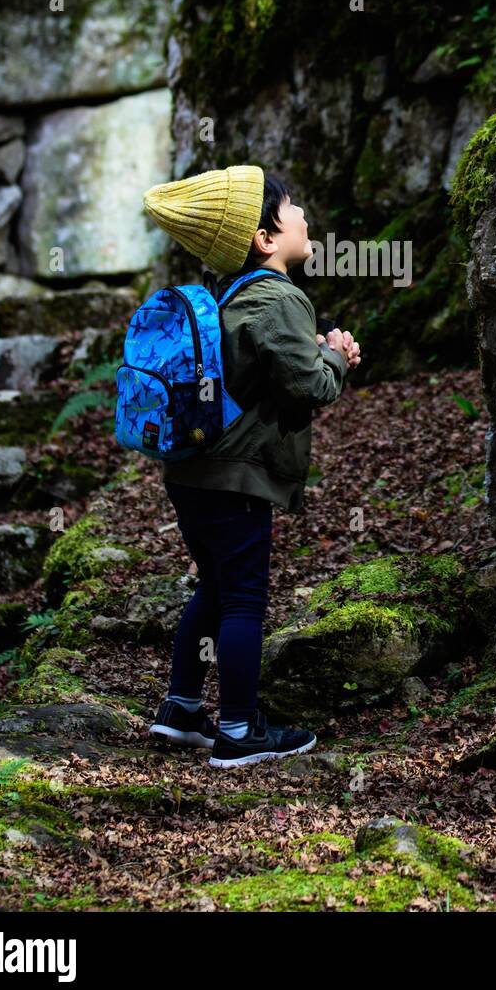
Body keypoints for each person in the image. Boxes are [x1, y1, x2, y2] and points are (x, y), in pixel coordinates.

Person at [141, 164, 360, 767]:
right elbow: (309, 387)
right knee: (242, 599)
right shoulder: (278, 296)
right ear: (266, 238)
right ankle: (239, 731)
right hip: (237, 478)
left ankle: (183, 708)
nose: (304, 216)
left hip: (192, 472)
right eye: (292, 209)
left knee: (212, 586)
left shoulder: (225, 295)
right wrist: (337, 357)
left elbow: (258, 368)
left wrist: (316, 353)